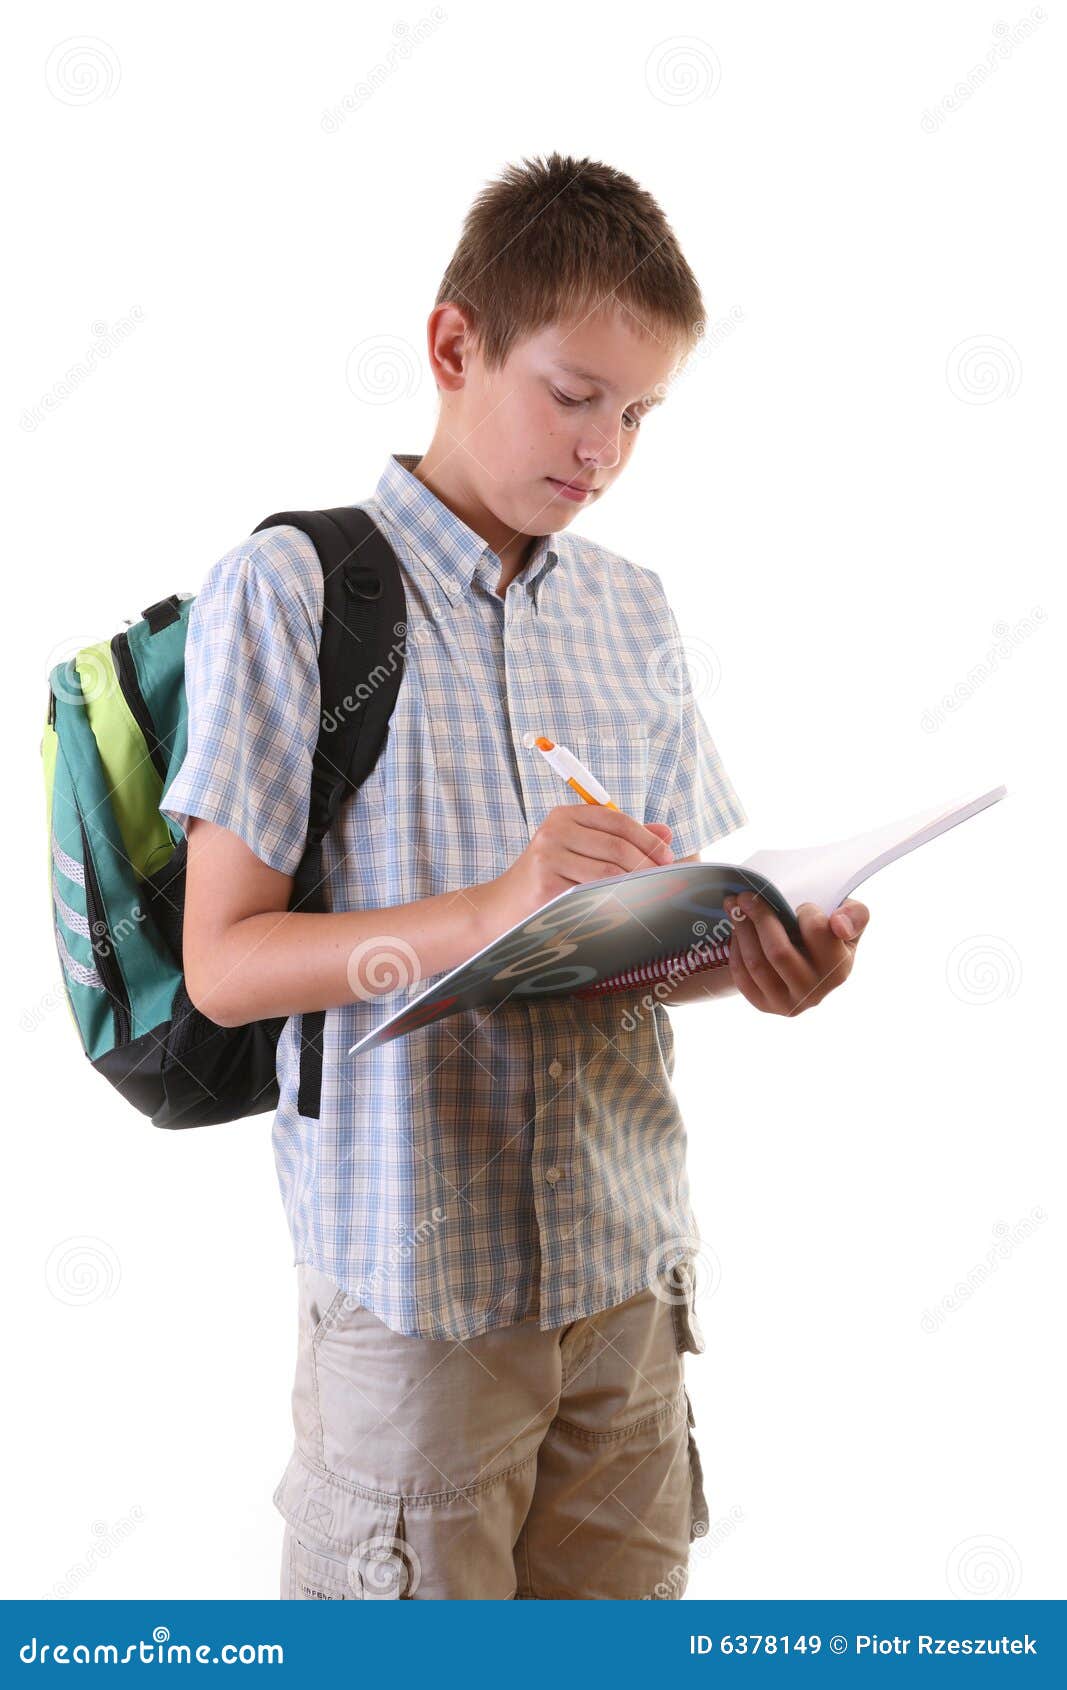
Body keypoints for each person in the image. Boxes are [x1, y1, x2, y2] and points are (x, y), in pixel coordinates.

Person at [159, 152, 869, 1601]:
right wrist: (490, 910)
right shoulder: (292, 590)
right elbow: (224, 963)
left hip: (628, 1283)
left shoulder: (631, 607)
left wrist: (761, 960)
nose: (602, 446)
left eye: (639, 414)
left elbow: (663, 920)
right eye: (571, 392)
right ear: (452, 344)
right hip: (419, 1312)